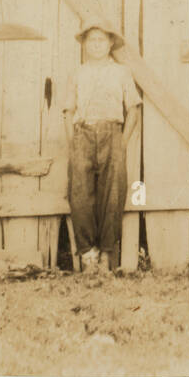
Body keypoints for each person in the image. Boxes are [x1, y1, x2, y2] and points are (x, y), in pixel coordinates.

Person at [61, 19, 141, 273]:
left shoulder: (121, 72)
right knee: (79, 194)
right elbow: (68, 110)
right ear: (84, 45)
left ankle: (106, 254)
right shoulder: (77, 73)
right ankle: (88, 256)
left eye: (101, 40)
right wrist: (73, 143)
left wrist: (122, 141)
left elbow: (134, 109)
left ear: (109, 44)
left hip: (112, 133)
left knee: (113, 193)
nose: (96, 45)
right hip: (82, 133)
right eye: (91, 40)